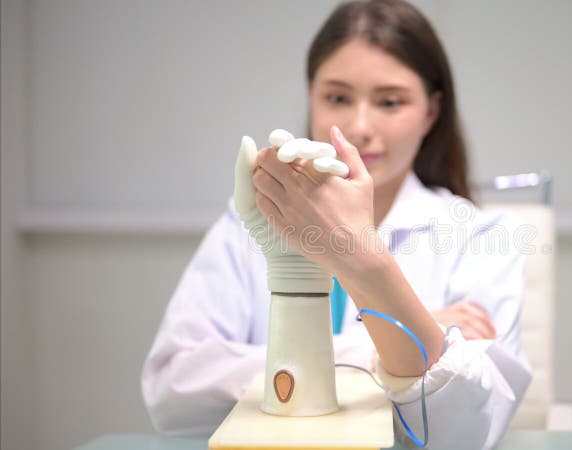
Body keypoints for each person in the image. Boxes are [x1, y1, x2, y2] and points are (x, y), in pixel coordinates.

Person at [141, 1, 532, 448]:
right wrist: (388, 342)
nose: (360, 126)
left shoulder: (481, 238)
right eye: (338, 98)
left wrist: (364, 261)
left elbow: (469, 429)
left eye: (390, 102)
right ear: (311, 97)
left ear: (431, 111)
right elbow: (172, 389)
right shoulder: (250, 219)